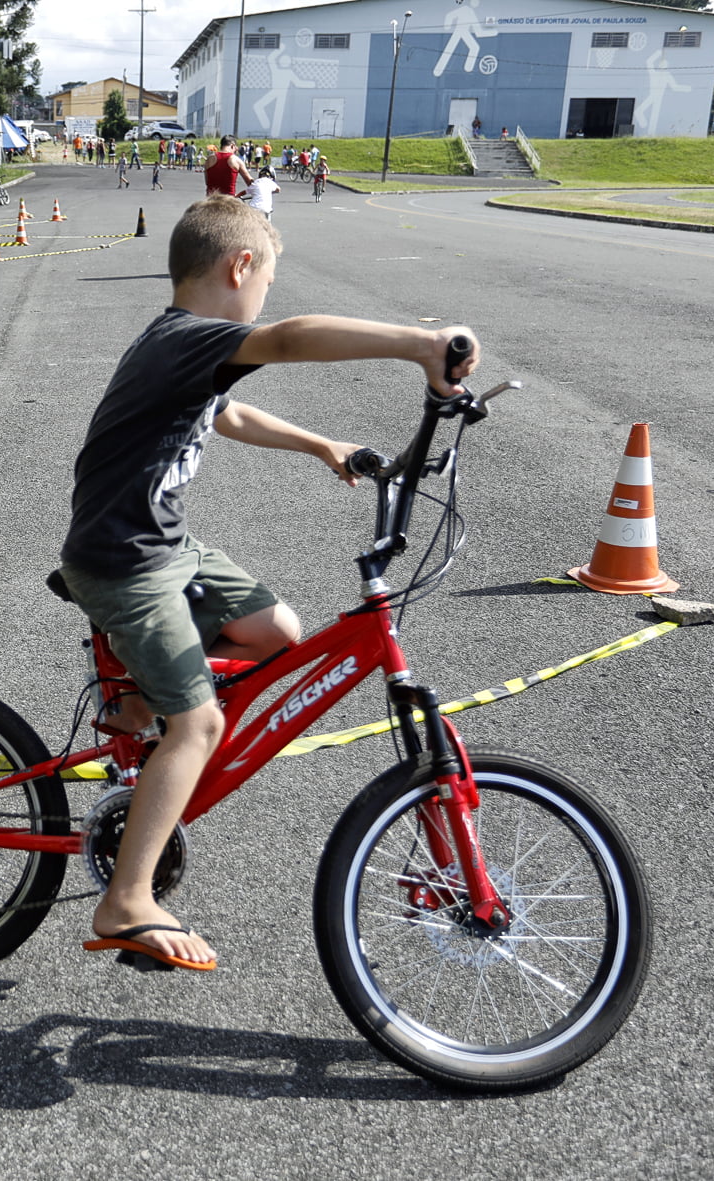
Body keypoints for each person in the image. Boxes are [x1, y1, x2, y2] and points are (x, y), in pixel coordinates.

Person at [57, 193, 479, 971]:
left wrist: (324, 444)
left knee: (279, 636)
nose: (265, 303)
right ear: (239, 266)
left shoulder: (187, 348)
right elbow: (283, 339)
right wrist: (420, 344)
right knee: (201, 727)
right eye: (265, 283)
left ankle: (140, 697)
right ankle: (127, 899)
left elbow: (227, 416)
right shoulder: (189, 337)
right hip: (123, 556)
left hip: (163, 542)